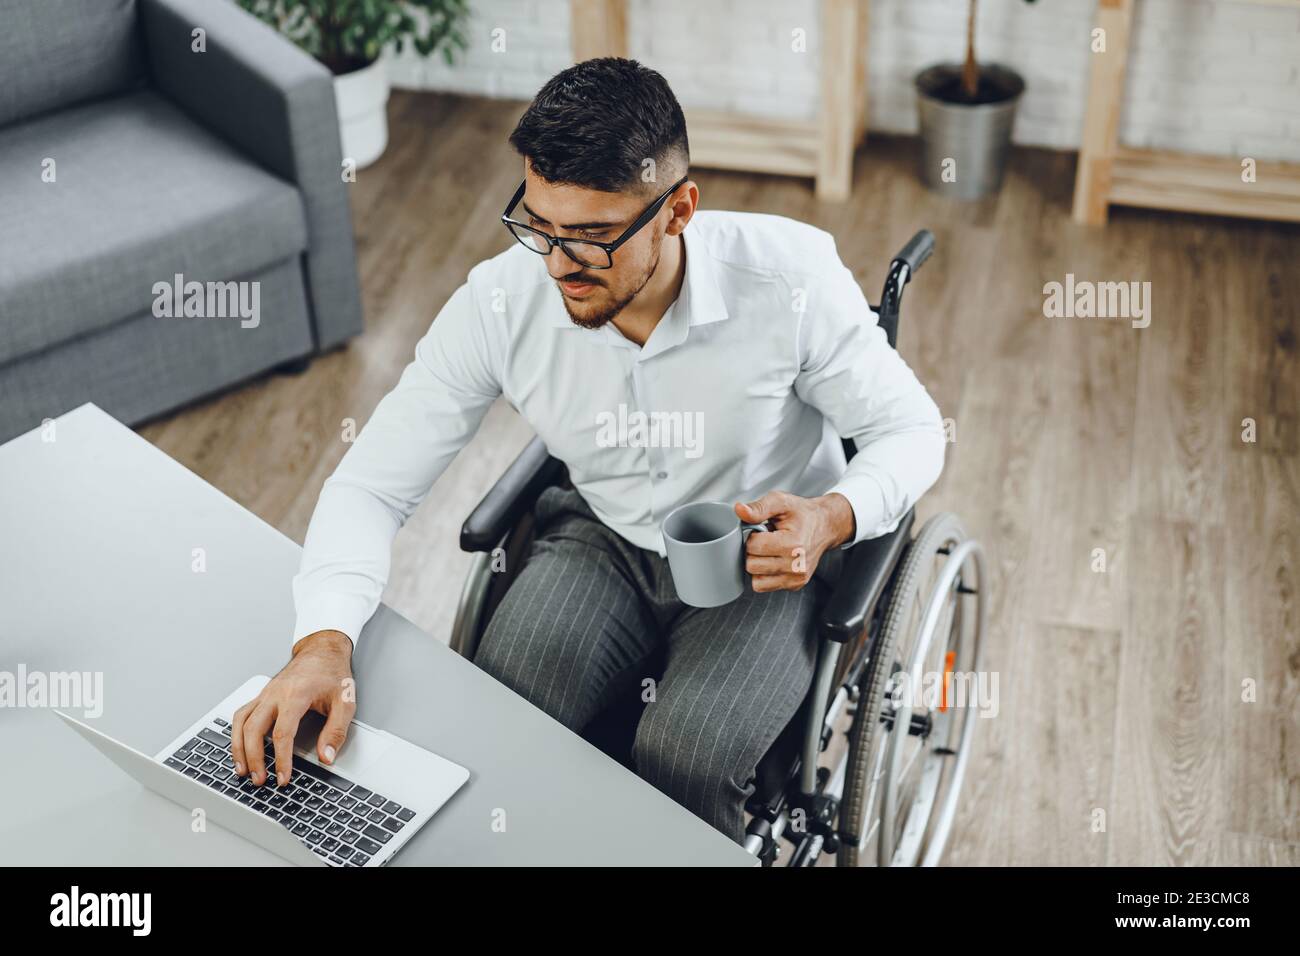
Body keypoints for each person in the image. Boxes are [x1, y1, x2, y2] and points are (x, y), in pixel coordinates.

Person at [231, 57, 945, 845]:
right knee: (499, 719)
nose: (560, 264)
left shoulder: (788, 279)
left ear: (678, 211)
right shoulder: (501, 303)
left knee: (687, 758)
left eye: (595, 237)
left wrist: (833, 515)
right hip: (602, 537)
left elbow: (912, 430)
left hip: (761, 562)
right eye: (541, 224)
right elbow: (370, 487)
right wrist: (322, 642)